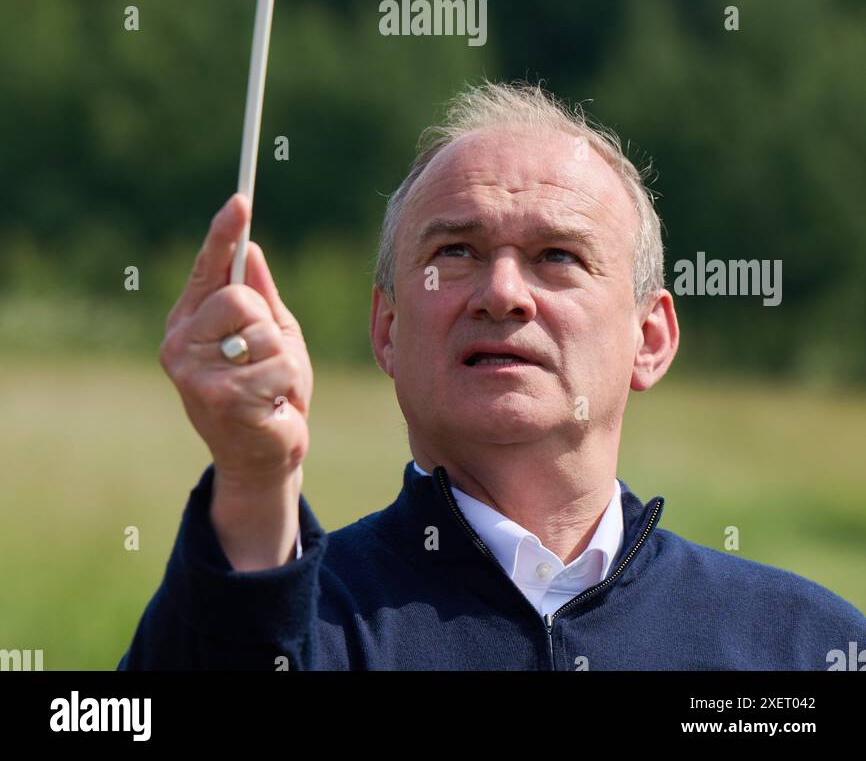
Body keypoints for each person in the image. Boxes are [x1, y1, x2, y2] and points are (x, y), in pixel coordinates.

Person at [118, 81, 866, 671]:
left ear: (650, 338)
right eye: (456, 252)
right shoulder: (288, 626)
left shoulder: (803, 645)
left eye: (558, 256)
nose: (503, 292)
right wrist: (255, 479)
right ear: (387, 330)